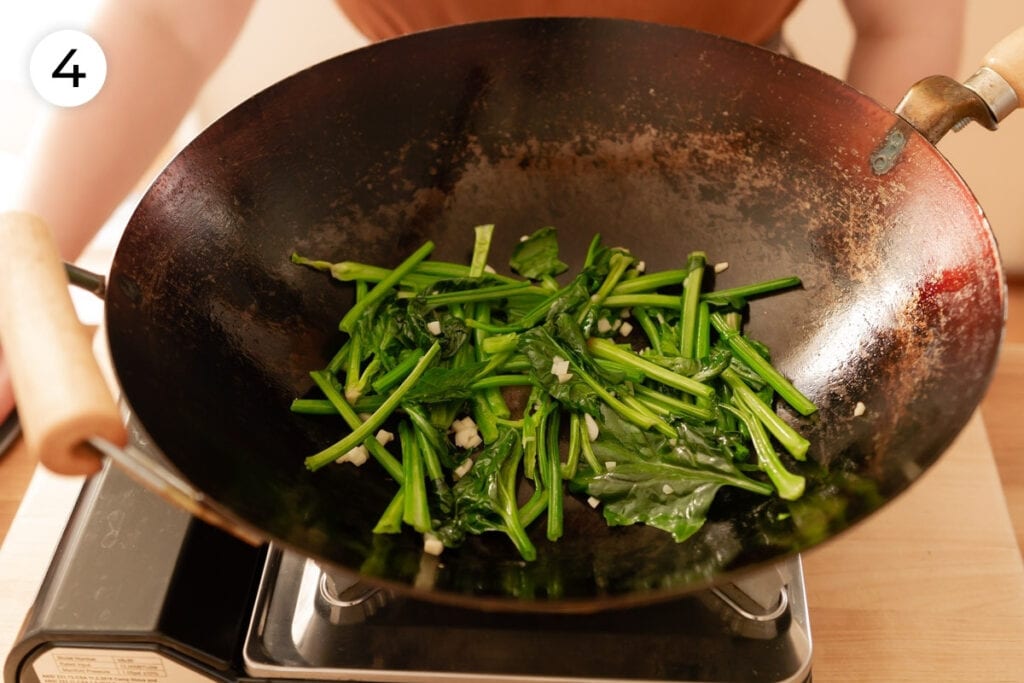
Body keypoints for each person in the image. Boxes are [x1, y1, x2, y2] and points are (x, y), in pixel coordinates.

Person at [0, 0, 966, 465]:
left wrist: (869, 239)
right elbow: (163, 25)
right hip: (409, 209)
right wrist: (22, 245)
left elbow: (905, 22)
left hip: (735, 215)